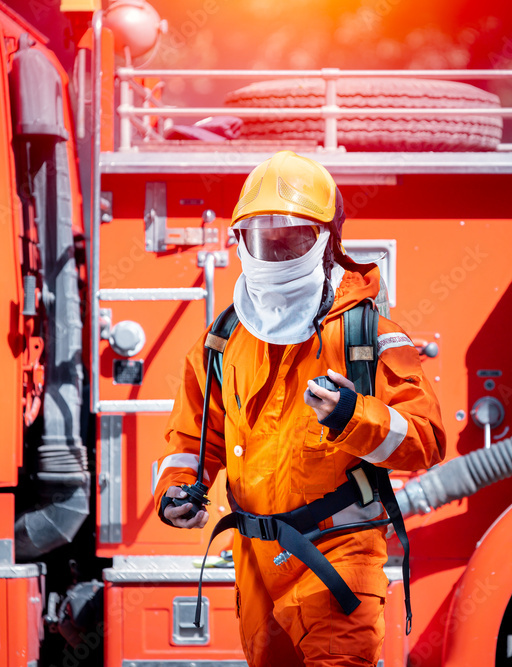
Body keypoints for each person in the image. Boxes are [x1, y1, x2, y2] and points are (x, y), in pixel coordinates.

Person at [153, 150, 445, 667]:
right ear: (240, 240)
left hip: (338, 557)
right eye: (261, 236)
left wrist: (354, 416)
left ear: (326, 241)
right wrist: (178, 490)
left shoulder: (371, 338)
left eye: (291, 236)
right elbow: (192, 445)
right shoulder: (220, 343)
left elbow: (428, 441)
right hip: (256, 564)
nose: (274, 249)